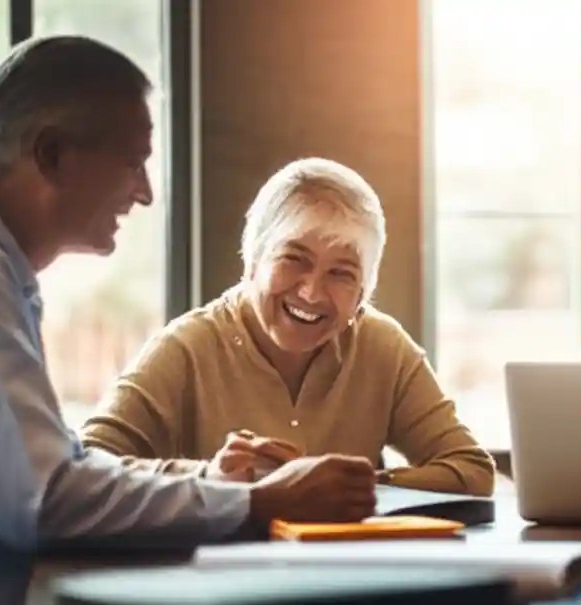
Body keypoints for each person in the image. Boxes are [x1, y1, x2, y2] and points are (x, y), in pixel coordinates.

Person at [0, 37, 377, 605]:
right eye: (133, 163)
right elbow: (50, 499)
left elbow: (61, 467)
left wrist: (212, 479)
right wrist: (260, 504)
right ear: (53, 155)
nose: (144, 192)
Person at [81, 157, 494, 497]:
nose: (312, 293)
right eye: (294, 258)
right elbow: (88, 464)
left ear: (364, 292)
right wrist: (211, 478)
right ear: (252, 259)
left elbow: (472, 470)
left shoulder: (384, 347)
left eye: (342, 274)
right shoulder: (186, 347)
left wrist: (355, 484)